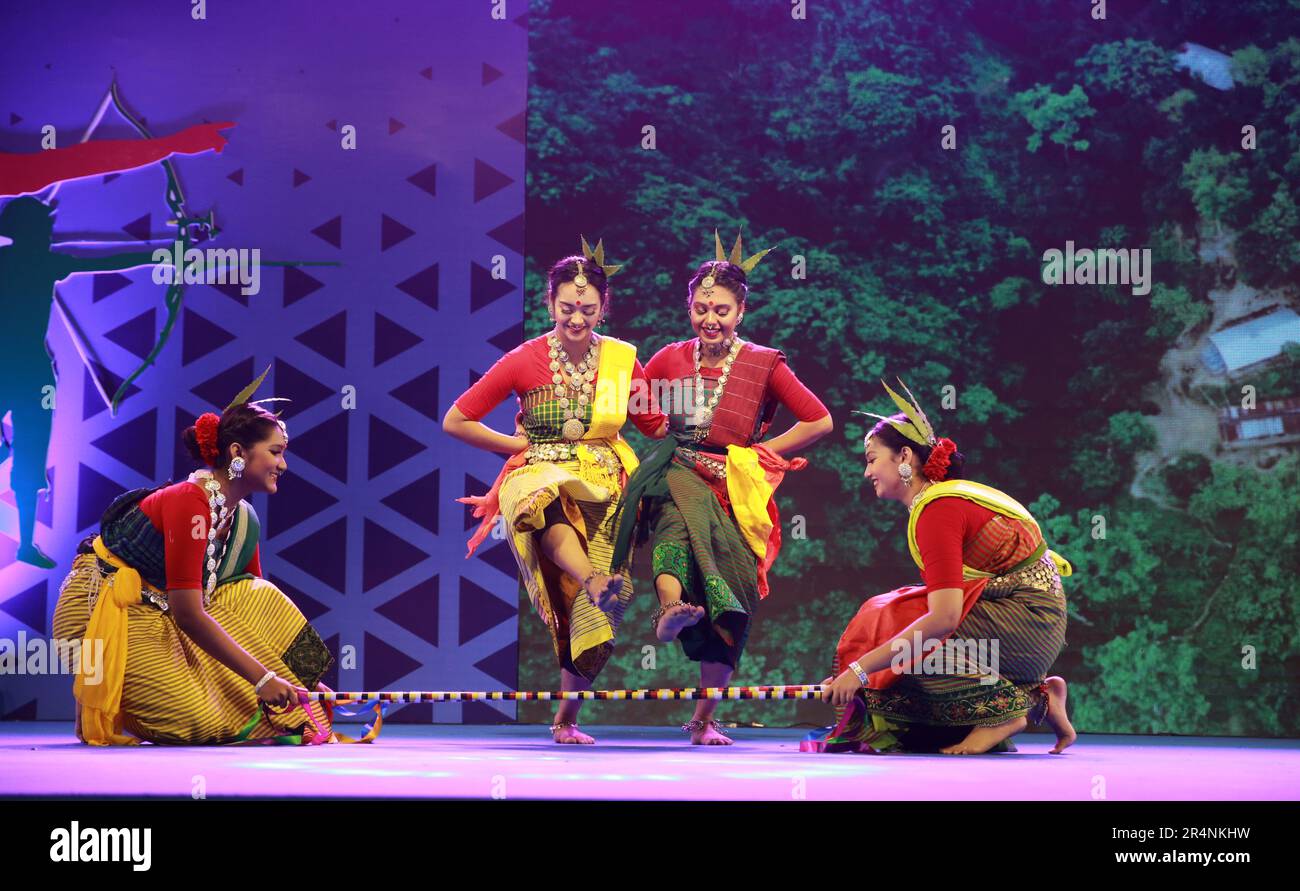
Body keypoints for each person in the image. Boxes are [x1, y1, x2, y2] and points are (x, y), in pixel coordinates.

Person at [610, 231, 833, 745]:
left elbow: (818, 420)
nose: (710, 319)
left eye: (722, 310)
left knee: (731, 594)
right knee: (673, 530)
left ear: (741, 312)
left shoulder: (764, 363)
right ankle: (668, 611)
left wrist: (758, 454)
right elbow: (643, 412)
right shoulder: (670, 357)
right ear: (690, 308)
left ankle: (705, 719)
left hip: (734, 487)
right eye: (701, 308)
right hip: (678, 470)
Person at [445, 237, 667, 744]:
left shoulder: (620, 360)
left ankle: (566, 718)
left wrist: (696, 405)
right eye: (567, 307)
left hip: (606, 483)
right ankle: (591, 578)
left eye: (588, 309)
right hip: (538, 473)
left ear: (603, 308)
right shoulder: (524, 359)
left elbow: (654, 424)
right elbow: (457, 419)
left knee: (586, 615)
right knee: (540, 498)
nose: (576, 318)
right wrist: (512, 445)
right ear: (549, 304)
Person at [51, 373, 338, 745]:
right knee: (197, 722)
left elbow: (250, 611)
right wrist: (264, 679)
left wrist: (309, 682)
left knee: (259, 594)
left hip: (161, 612)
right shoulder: (191, 500)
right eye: (276, 451)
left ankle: (297, 703)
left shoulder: (242, 517)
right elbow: (189, 613)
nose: (283, 465)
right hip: (104, 608)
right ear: (237, 453)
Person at [818, 379, 1076, 755]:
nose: (866, 472)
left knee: (907, 658)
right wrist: (866, 667)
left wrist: (859, 669)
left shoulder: (937, 511)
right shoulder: (940, 504)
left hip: (1025, 623)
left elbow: (943, 618)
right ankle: (1039, 696)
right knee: (889, 628)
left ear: (904, 457)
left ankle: (1007, 714)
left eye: (872, 459)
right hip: (1030, 625)